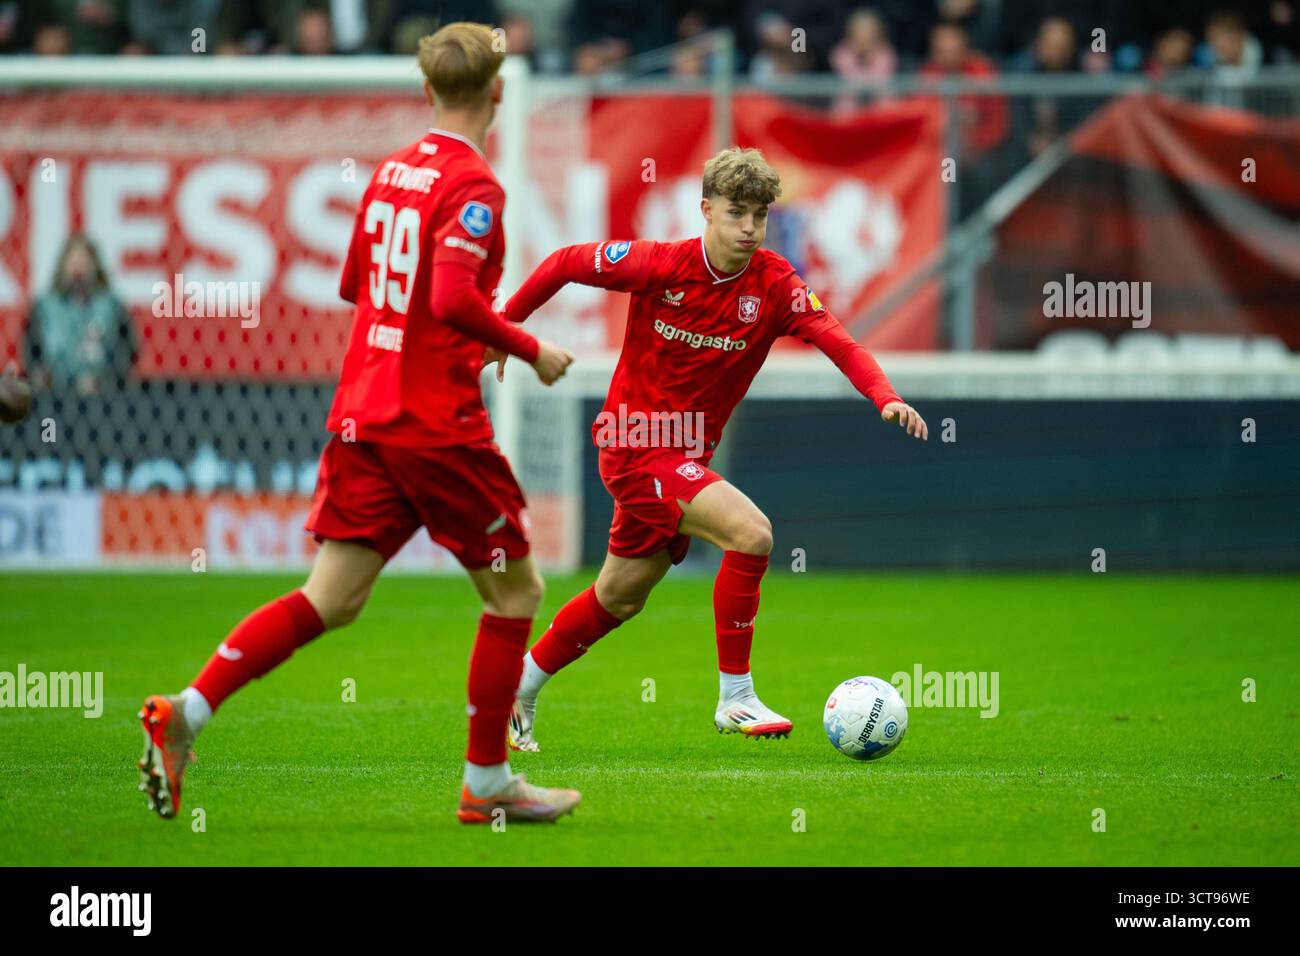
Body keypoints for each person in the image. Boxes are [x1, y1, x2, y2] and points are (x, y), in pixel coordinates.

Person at [137, 21, 582, 825]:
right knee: (517, 592)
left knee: (332, 598)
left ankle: (185, 713)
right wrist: (531, 345)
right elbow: (449, 297)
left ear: (426, 90)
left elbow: (356, 284)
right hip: (434, 424)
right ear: (499, 92)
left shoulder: (391, 171)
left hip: (365, 412)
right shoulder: (474, 188)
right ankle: (486, 784)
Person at [493, 147, 927, 752]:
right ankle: (736, 697)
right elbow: (566, 262)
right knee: (753, 534)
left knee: (618, 597)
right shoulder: (660, 265)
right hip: (634, 444)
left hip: (683, 461)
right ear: (706, 210)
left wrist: (884, 396)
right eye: (736, 213)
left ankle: (520, 686)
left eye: (760, 215)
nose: (749, 228)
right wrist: (506, 332)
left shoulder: (776, 285)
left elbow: (840, 343)